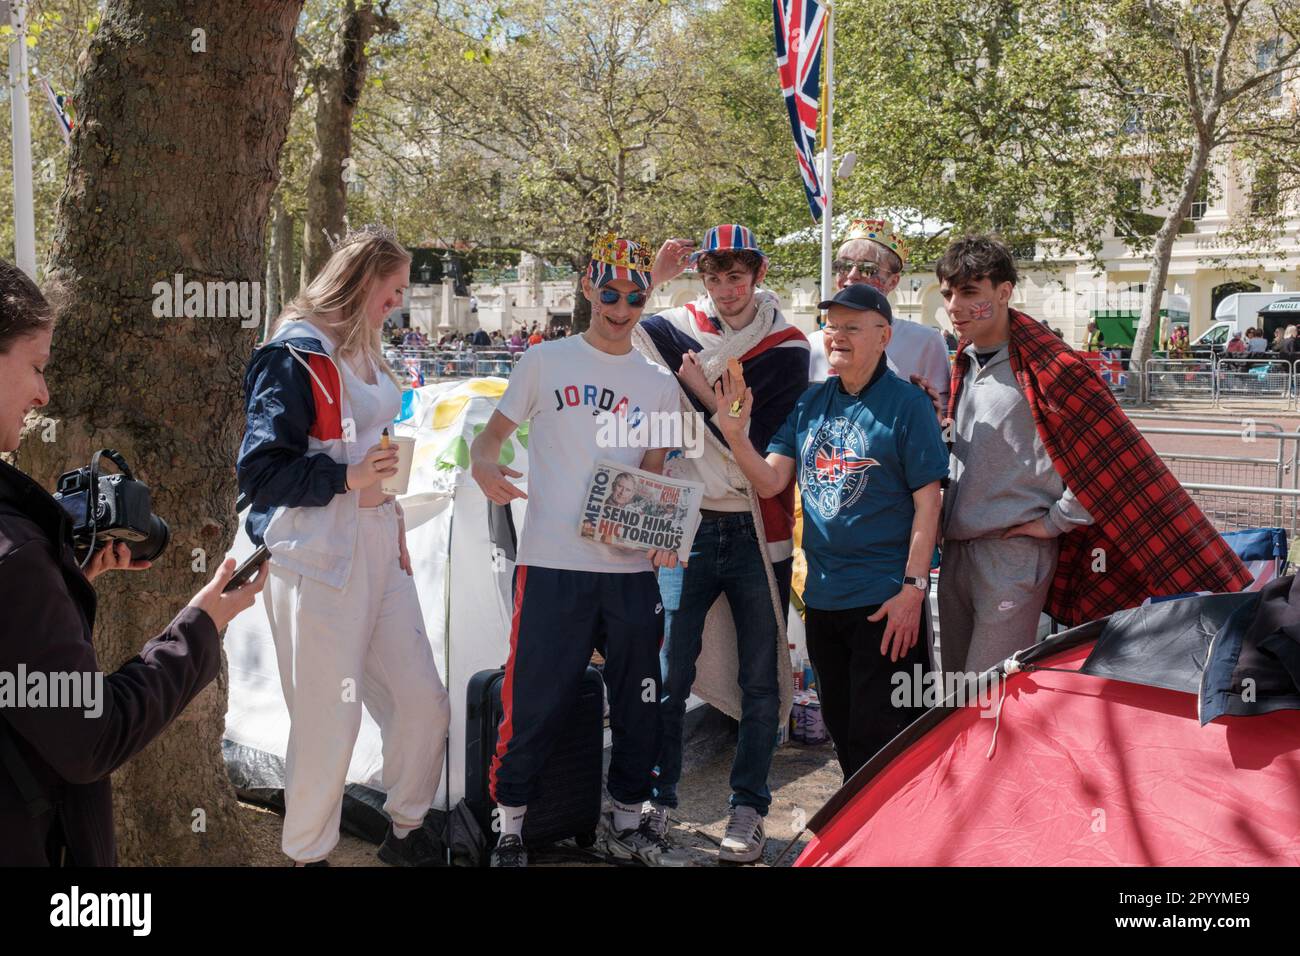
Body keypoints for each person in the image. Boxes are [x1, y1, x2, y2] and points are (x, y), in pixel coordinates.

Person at [0, 259, 267, 865]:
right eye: (36, 367)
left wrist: (60, 590)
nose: (43, 394)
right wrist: (198, 630)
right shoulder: (17, 559)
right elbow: (89, 739)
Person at [937, 235, 1252, 677]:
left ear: (1004, 292)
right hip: (956, 550)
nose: (954, 305)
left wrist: (1051, 523)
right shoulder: (962, 362)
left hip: (1013, 556)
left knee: (989, 694)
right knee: (954, 691)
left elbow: (1111, 467)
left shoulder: (1056, 369)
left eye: (970, 292)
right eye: (948, 293)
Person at [237, 225, 450, 867]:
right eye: (391, 291)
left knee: (423, 701)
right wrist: (350, 479)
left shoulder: (362, 347)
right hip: (316, 557)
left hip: (377, 541)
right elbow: (260, 472)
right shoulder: (293, 353)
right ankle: (308, 854)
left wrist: (384, 511)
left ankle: (407, 831)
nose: (397, 304)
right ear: (361, 283)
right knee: (330, 720)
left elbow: (366, 448)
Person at [470, 234, 685, 868]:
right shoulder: (544, 361)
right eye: (611, 292)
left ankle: (626, 820)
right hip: (552, 564)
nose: (621, 307)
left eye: (636, 296)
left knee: (640, 699)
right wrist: (487, 468)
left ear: (648, 296)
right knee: (532, 699)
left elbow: (658, 476)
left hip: (626, 572)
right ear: (589, 287)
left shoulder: (659, 382)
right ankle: (509, 826)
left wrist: (663, 538)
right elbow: (491, 440)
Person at [712, 283, 947, 781]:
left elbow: (930, 503)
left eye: (851, 327)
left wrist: (913, 589)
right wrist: (735, 436)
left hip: (886, 604)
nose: (837, 336)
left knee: (888, 744)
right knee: (844, 735)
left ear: (883, 336)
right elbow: (774, 478)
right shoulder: (810, 403)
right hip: (822, 600)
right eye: (831, 326)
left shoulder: (908, 405)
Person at [636, 225, 810, 862]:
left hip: (756, 526)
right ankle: (660, 799)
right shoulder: (673, 326)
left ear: (757, 274)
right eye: (713, 276)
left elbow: (760, 442)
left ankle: (748, 808)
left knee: (761, 678)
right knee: (670, 671)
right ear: (701, 278)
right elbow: (614, 328)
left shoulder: (787, 347)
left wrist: (703, 394)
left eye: (737, 275)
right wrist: (652, 277)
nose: (725, 288)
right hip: (686, 524)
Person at [807, 219, 951, 414]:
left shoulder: (925, 343)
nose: (851, 275)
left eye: (867, 269)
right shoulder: (813, 345)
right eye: (843, 266)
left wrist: (933, 418)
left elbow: (947, 425)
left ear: (893, 281)